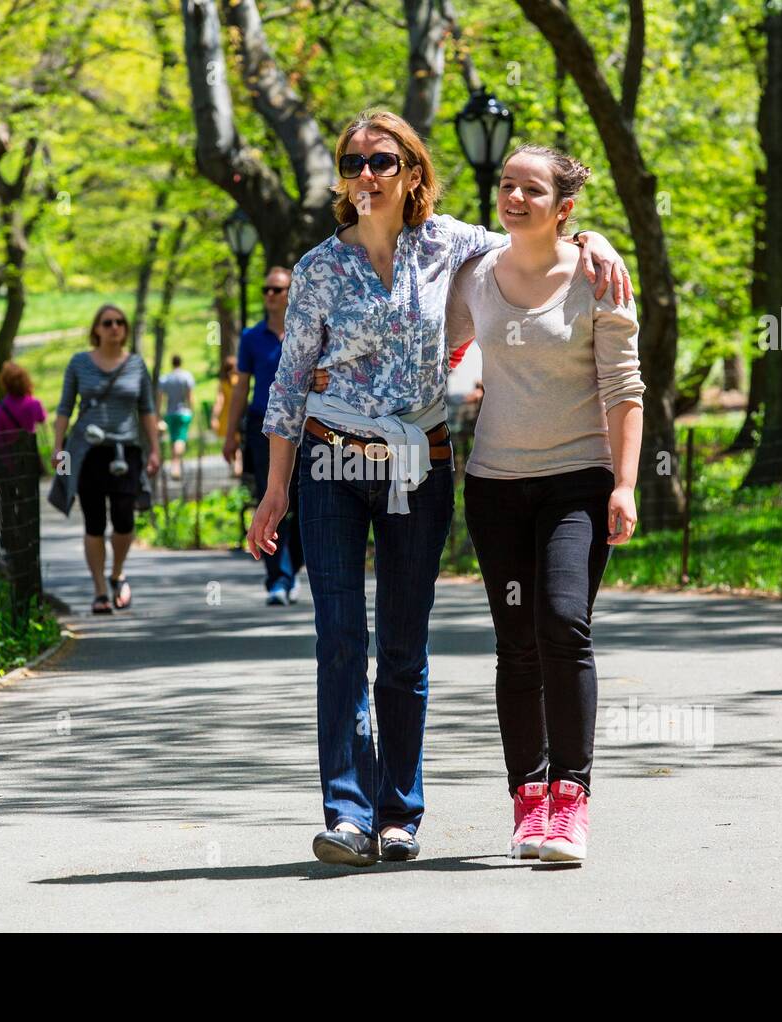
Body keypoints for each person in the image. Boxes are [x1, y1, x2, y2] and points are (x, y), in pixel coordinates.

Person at [247, 108, 631, 868]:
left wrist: (595, 238)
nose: (365, 174)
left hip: (418, 465)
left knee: (402, 643)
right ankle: (348, 813)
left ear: (412, 172)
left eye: (381, 161)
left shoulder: (452, 245)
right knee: (339, 640)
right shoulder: (321, 267)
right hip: (331, 464)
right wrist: (274, 486)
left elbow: (538, 240)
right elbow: (290, 381)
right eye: (352, 160)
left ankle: (399, 816)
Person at [446, 143, 644, 862]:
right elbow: (436, 344)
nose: (513, 198)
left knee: (564, 625)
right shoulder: (475, 276)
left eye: (531, 189)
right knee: (517, 643)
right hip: (495, 486)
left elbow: (625, 386)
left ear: (564, 210)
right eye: (505, 185)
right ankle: (527, 800)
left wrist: (624, 483)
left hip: (577, 481)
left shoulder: (599, 276)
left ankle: (572, 801)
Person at [49, 304, 160, 614]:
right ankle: (99, 589)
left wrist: (155, 449)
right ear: (96, 329)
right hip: (86, 452)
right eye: (107, 323)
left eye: (120, 323)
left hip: (126, 450)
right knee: (94, 522)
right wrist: (59, 449)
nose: (114, 327)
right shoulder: (79, 363)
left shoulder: (136, 365)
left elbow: (147, 409)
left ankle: (117, 573)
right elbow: (63, 409)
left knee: (124, 518)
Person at [223, 266, 305, 605]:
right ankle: (276, 578)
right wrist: (230, 434)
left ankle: (292, 568)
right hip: (263, 426)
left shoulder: (306, 331)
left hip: (304, 426)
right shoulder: (251, 338)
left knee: (303, 502)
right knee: (269, 499)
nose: (271, 295)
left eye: (277, 289)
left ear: (290, 293)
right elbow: (241, 387)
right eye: (266, 290)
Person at [0, 361, 47, 587]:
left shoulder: (0, 409)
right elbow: (43, 418)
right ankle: (28, 532)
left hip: (6, 463)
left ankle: (11, 538)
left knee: (7, 501)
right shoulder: (33, 404)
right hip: (28, 462)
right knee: (28, 499)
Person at [159, 355, 195, 480]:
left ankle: (176, 465)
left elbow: (160, 397)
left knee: (174, 439)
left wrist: (159, 413)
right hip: (183, 412)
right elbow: (190, 396)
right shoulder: (187, 377)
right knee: (181, 439)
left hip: (170, 413)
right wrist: (191, 410)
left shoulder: (165, 378)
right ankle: (176, 465)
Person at [212, 355, 242, 476]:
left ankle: (236, 465)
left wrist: (214, 417)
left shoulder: (223, 383)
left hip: (226, 418)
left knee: (232, 442)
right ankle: (238, 465)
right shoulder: (239, 380)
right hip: (238, 415)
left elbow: (219, 402)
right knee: (237, 443)